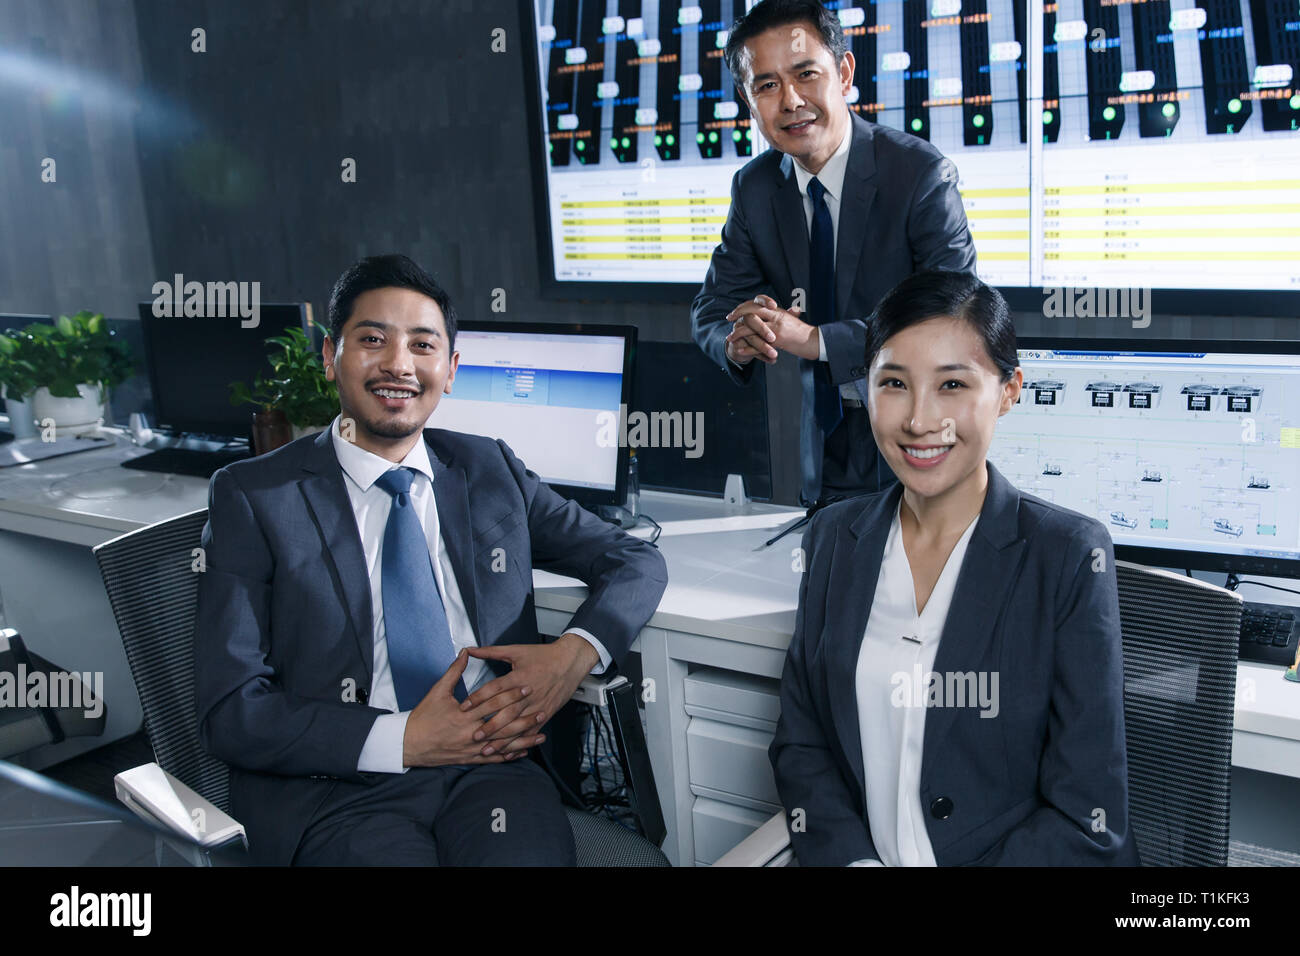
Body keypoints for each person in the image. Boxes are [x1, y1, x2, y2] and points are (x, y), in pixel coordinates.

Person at [194, 254, 668, 866]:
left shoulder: (488, 469)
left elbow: (633, 560)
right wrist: (406, 738)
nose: (398, 364)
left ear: (450, 370)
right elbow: (231, 711)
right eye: (372, 340)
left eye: (423, 344)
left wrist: (570, 658)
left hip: (491, 765)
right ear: (329, 356)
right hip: (341, 787)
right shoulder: (254, 496)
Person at [769, 269, 1139, 865]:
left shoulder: (1067, 556)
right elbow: (802, 743)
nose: (919, 420)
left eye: (952, 385)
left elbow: (1086, 818)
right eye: (893, 383)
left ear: (1010, 391)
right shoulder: (836, 538)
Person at [692, 0, 977, 507]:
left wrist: (817, 340)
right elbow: (712, 309)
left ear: (844, 73)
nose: (791, 100)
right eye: (767, 85)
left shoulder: (920, 176)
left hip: (922, 438)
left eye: (806, 74)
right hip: (821, 450)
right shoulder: (755, 188)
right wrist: (737, 340)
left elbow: (953, 318)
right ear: (748, 100)